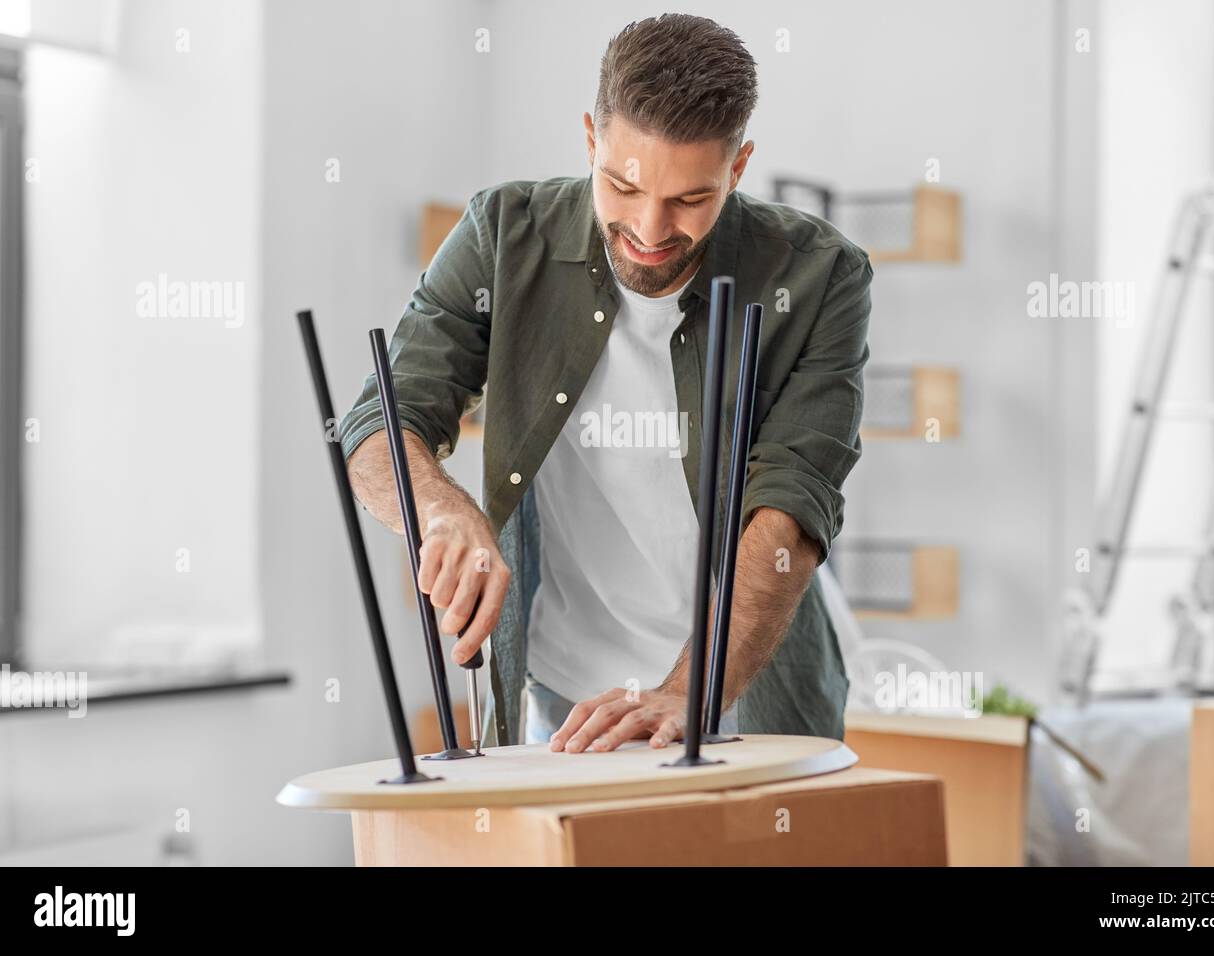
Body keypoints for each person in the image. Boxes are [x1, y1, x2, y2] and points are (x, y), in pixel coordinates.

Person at [341, 13, 873, 753]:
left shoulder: (818, 275)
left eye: (691, 199)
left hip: (750, 690)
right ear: (592, 139)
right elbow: (376, 422)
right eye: (623, 185)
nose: (651, 230)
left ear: (738, 168)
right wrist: (440, 510)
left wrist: (689, 692)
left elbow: (793, 501)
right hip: (568, 696)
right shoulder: (503, 236)